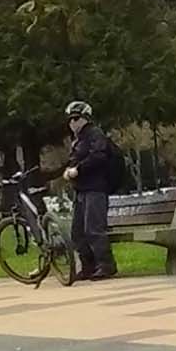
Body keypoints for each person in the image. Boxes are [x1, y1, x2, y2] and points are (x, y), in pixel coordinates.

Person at [61, 99, 118, 281]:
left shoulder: (95, 134)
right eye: (70, 119)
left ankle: (106, 265)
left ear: (86, 118)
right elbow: (75, 159)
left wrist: (78, 169)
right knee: (77, 232)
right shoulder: (78, 140)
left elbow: (99, 156)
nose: (72, 123)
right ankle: (88, 266)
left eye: (76, 118)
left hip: (95, 189)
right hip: (81, 190)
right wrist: (69, 170)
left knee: (94, 229)